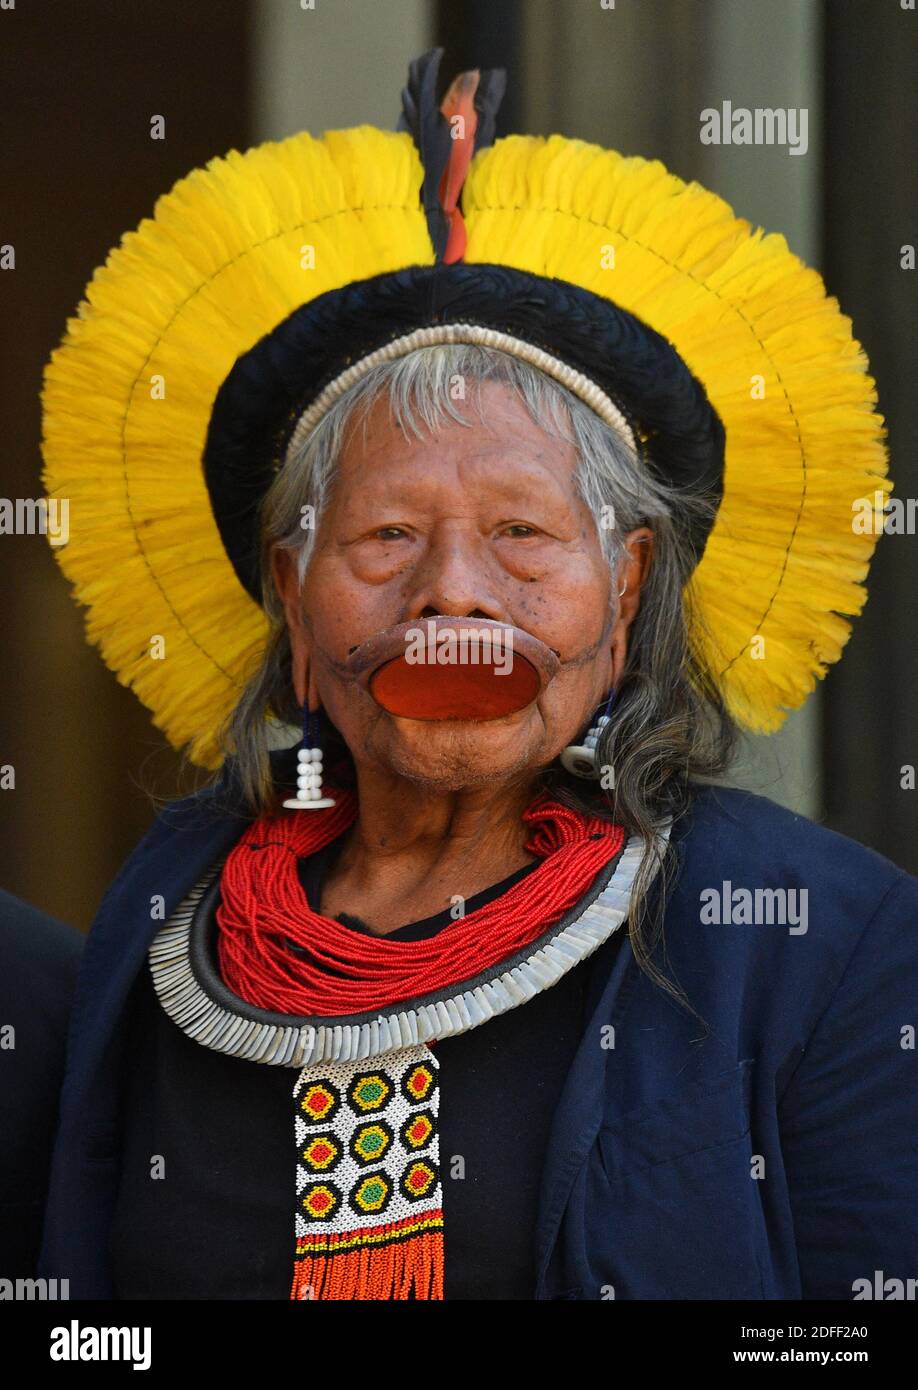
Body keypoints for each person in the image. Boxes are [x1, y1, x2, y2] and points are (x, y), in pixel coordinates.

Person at [37, 50, 916, 1300]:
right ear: (293, 599)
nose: (452, 591)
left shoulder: (823, 942)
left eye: (523, 534)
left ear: (624, 592)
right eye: (387, 536)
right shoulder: (167, 911)